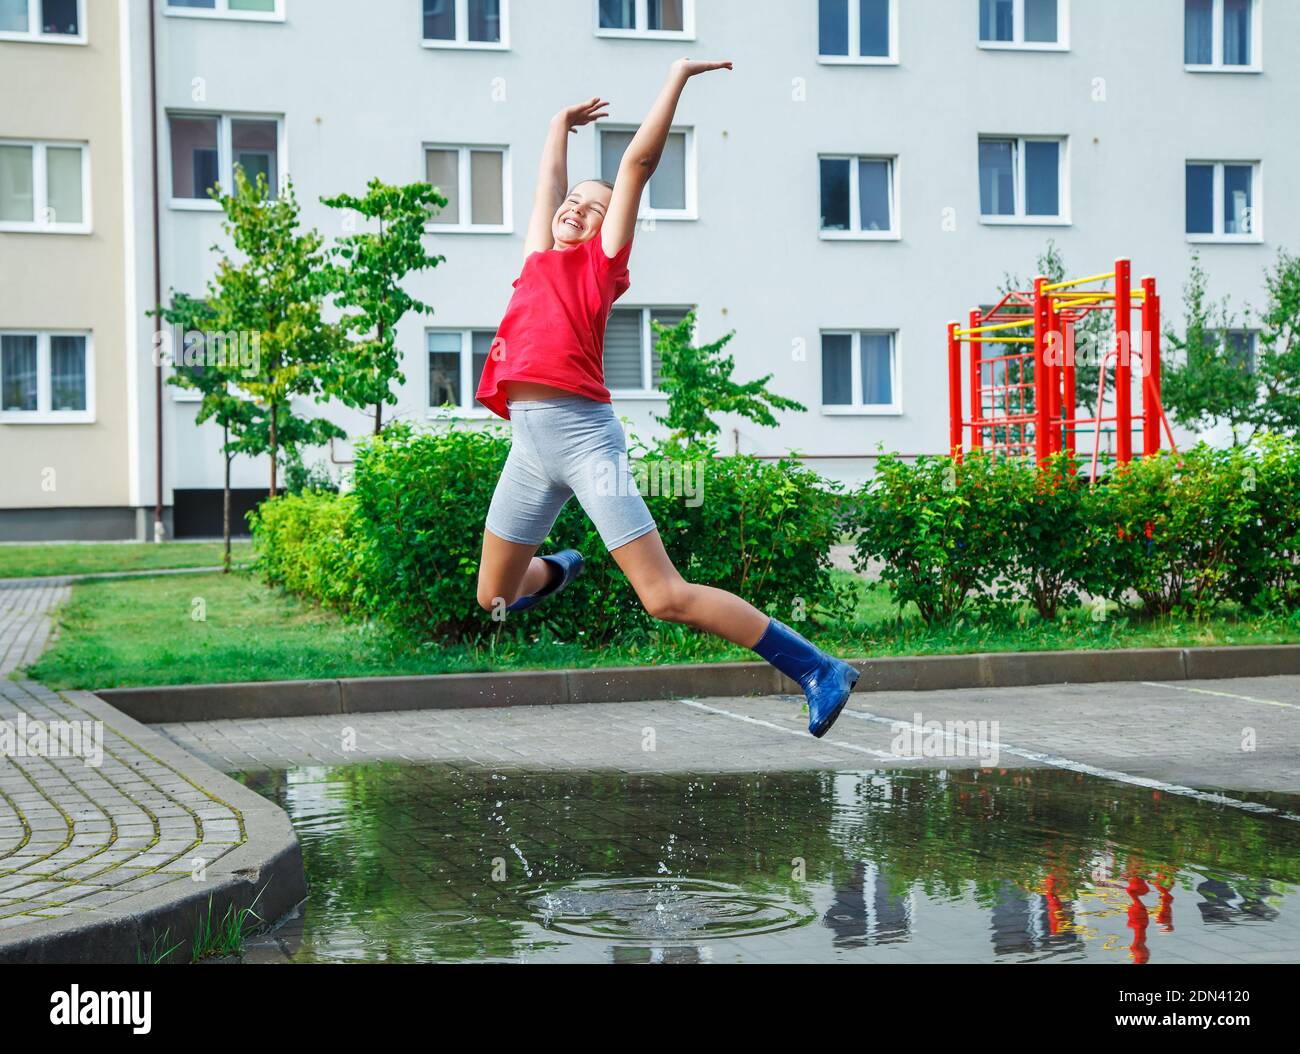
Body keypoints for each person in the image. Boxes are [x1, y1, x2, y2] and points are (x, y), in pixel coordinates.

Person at [474, 59, 858, 737]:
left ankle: (817, 668)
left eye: (592, 208)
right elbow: (546, 187)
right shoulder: (536, 260)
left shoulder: (599, 269)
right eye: (573, 203)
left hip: (584, 441)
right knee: (494, 596)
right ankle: (555, 573)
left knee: (665, 597)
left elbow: (638, 165)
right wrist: (557, 125)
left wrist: (677, 76)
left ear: (606, 228)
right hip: (529, 449)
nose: (574, 208)